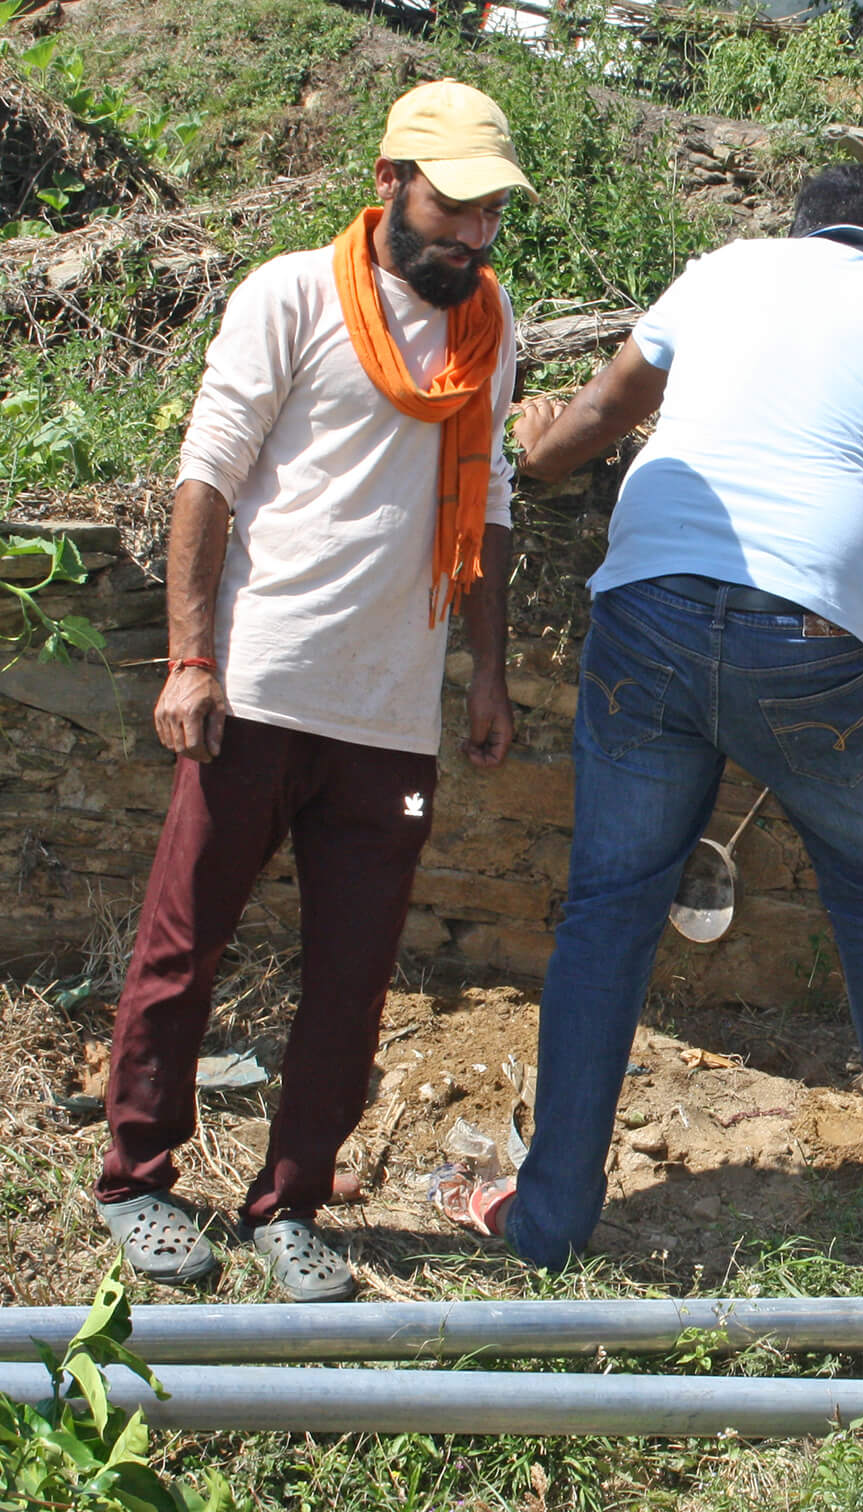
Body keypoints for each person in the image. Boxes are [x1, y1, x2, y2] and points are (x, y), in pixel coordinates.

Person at [430, 164, 863, 1267]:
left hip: (650, 604)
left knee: (610, 909)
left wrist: (533, 453)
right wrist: (847, 670)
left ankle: (545, 1221)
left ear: (798, 229)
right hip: (823, 628)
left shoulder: (726, 270)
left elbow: (596, 414)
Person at [93, 79, 529, 1303]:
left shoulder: (489, 329)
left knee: (355, 971)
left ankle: (291, 1203)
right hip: (263, 688)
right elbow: (207, 481)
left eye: (491, 214)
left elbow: (487, 508)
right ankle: (136, 1180)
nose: (474, 237)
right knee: (186, 944)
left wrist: (486, 670)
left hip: (393, 713)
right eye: (454, 209)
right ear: (392, 180)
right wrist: (191, 658)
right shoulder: (291, 294)